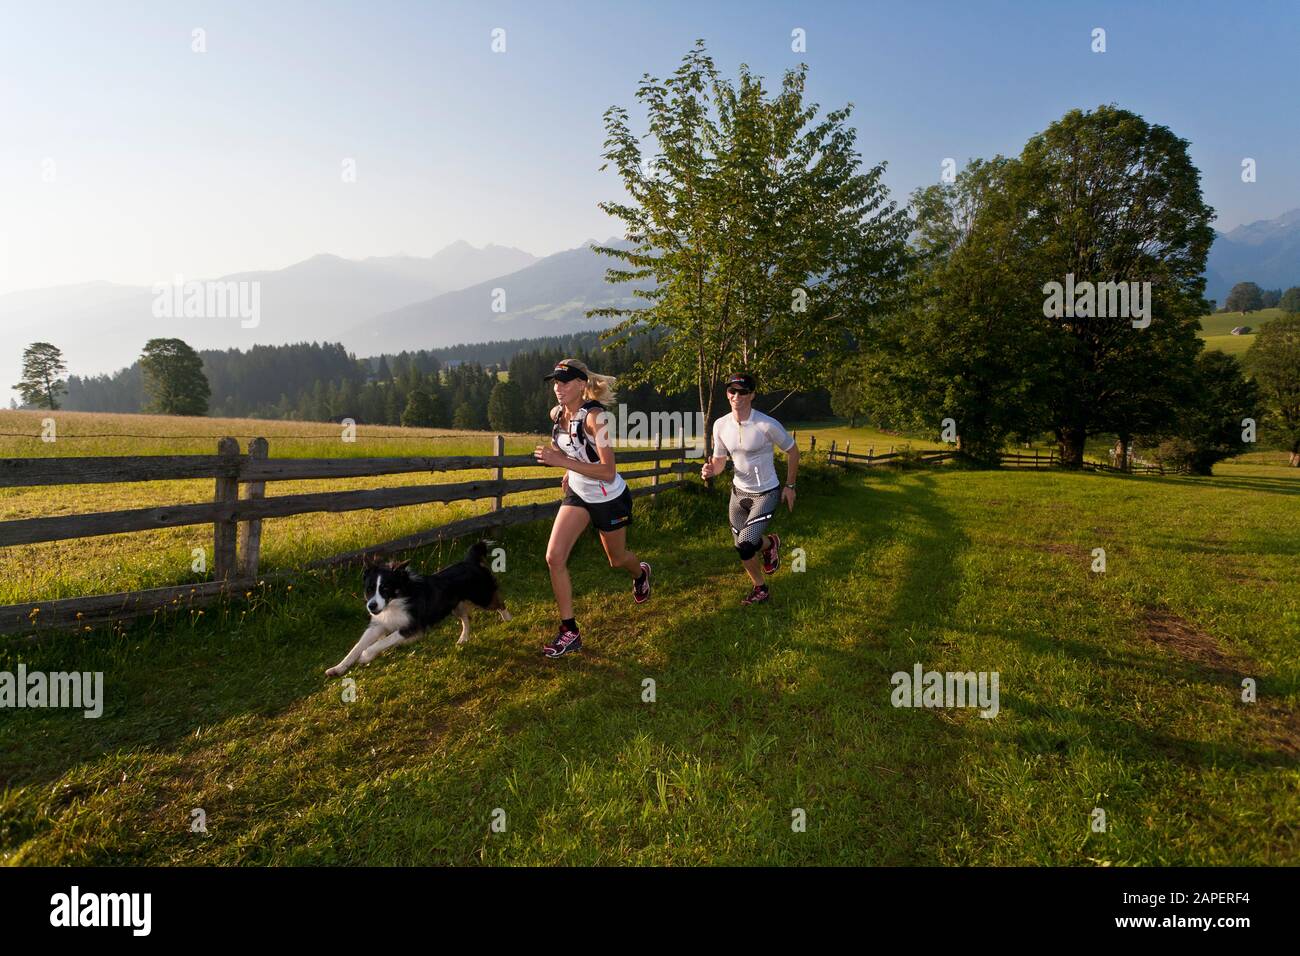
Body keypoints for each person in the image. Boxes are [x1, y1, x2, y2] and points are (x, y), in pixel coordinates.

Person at [532, 358, 651, 657]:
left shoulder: (596, 418)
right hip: (579, 495)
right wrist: (567, 471)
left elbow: (608, 470)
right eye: (556, 382)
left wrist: (563, 463)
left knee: (617, 559)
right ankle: (569, 631)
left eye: (566, 381)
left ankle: (640, 574)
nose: (558, 388)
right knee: (554, 557)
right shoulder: (557, 414)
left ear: (582, 385)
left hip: (609, 497)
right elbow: (569, 447)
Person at [699, 372, 798, 605]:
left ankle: (761, 589)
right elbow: (721, 460)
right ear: (727, 393)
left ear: (752, 395)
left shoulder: (766, 425)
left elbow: (793, 452)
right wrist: (712, 470)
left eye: (743, 392)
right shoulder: (720, 425)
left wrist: (790, 486)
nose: (736, 396)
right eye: (732, 391)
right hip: (738, 493)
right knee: (743, 545)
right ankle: (770, 544)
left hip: (766, 492)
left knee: (745, 544)